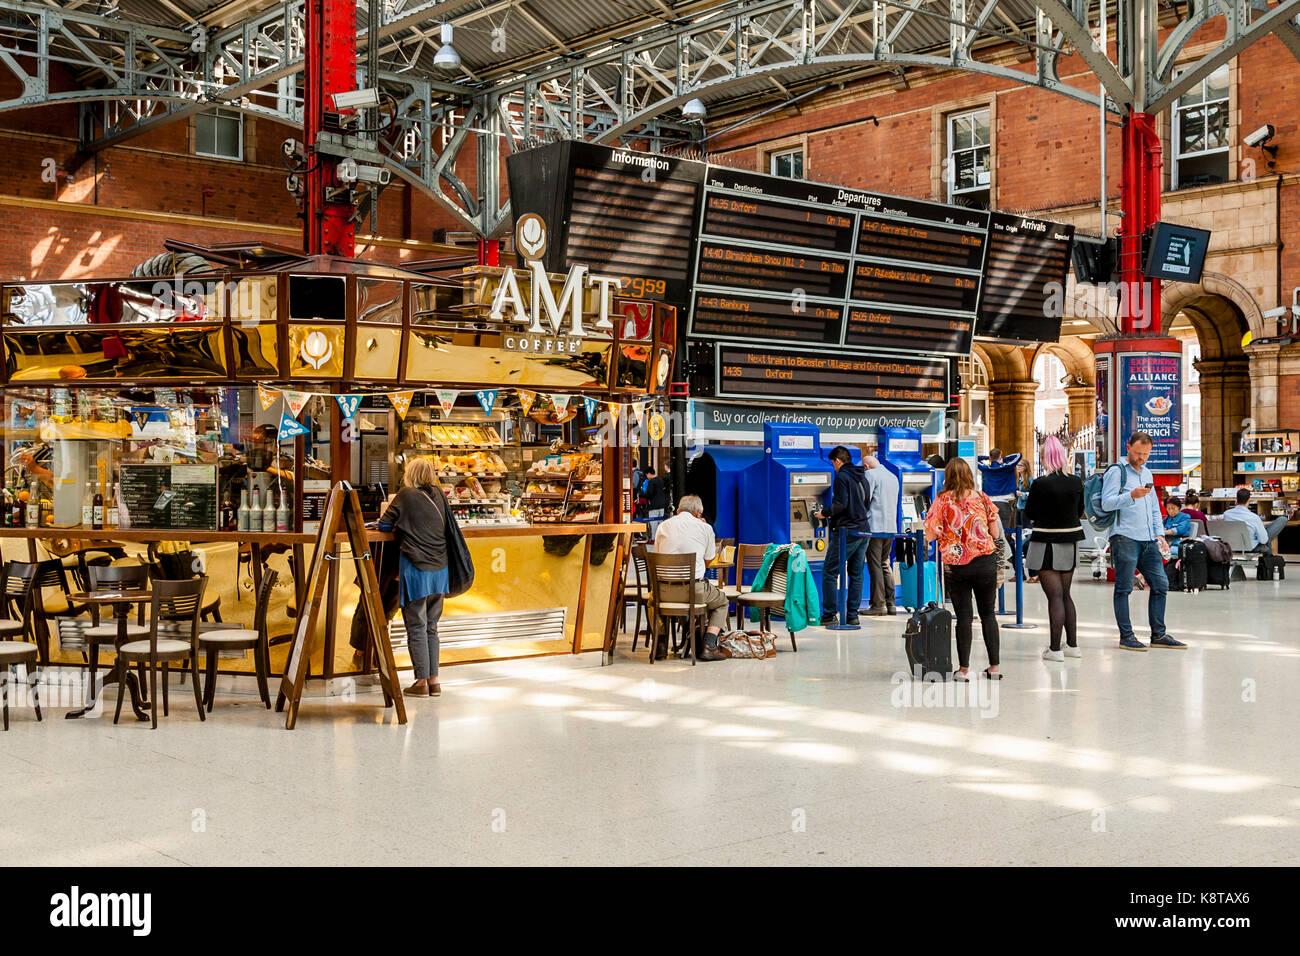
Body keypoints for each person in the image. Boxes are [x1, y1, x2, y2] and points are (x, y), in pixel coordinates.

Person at [1101, 432, 1185, 651]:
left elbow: (1154, 508)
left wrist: (1160, 534)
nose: (1141, 458)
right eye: (1138, 453)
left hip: (1148, 540)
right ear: (1128, 447)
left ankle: (1159, 634)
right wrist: (1130, 496)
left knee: (1160, 584)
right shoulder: (1116, 472)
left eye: (1146, 454)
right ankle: (1126, 636)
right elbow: (1106, 504)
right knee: (1124, 587)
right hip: (1125, 536)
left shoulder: (1147, 471)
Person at [924, 458, 1003, 680]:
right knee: (989, 615)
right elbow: (995, 533)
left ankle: (964, 670)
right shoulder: (983, 498)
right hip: (985, 562)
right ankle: (994, 668)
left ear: (947, 477)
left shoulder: (942, 501)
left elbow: (930, 534)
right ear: (969, 475)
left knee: (964, 617)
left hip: (956, 566)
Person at [377, 456, 449, 697]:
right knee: (431, 626)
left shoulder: (406, 495)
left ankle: (420, 682)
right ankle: (434, 681)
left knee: (416, 625)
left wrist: (400, 524)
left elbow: (385, 526)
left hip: (417, 569)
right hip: (440, 569)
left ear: (410, 474)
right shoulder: (439, 494)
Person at [1024, 436, 1085, 662]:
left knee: (1054, 597)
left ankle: (1054, 649)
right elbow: (1080, 511)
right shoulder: (1076, 482)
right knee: (1066, 594)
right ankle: (1072, 646)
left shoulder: (1040, 484)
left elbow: (1029, 512)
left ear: (1045, 458)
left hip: (1045, 543)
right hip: (1069, 542)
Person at [651, 495, 729, 661]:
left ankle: (661, 643)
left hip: (663, 591)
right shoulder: (705, 528)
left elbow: (657, 556)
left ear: (678, 511)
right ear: (699, 513)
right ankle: (709, 645)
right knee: (722, 601)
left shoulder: (662, 527)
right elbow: (708, 561)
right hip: (693, 591)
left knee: (652, 601)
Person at [817, 446, 871, 626]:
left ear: (838, 461)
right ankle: (853, 615)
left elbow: (840, 504)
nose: (833, 467)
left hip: (846, 531)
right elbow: (866, 502)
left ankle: (829, 614)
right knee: (856, 574)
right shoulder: (862, 476)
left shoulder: (841, 477)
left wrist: (824, 513)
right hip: (863, 530)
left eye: (833, 463)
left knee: (829, 571)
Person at [862, 455, 900, 616]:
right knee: (885, 563)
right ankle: (891, 603)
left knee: (875, 564)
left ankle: (878, 604)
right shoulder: (892, 476)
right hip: (890, 528)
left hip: (875, 527)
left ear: (866, 466)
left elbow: (865, 500)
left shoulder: (870, 475)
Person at [1222, 488, 1289, 554]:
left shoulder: (1226, 514)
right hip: (1251, 548)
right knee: (1283, 520)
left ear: (1236, 500)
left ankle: (1262, 529)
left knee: (1262, 528)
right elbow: (1263, 540)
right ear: (1249, 500)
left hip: (1233, 546)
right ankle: (1268, 561)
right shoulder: (1254, 517)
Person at [641, 465, 671, 539]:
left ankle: (653, 538)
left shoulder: (652, 482)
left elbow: (649, 493)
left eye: (647, 475)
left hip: (653, 505)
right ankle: (660, 538)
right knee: (660, 523)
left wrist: (642, 494)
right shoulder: (661, 480)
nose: (647, 477)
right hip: (661, 505)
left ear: (649, 474)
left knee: (653, 523)